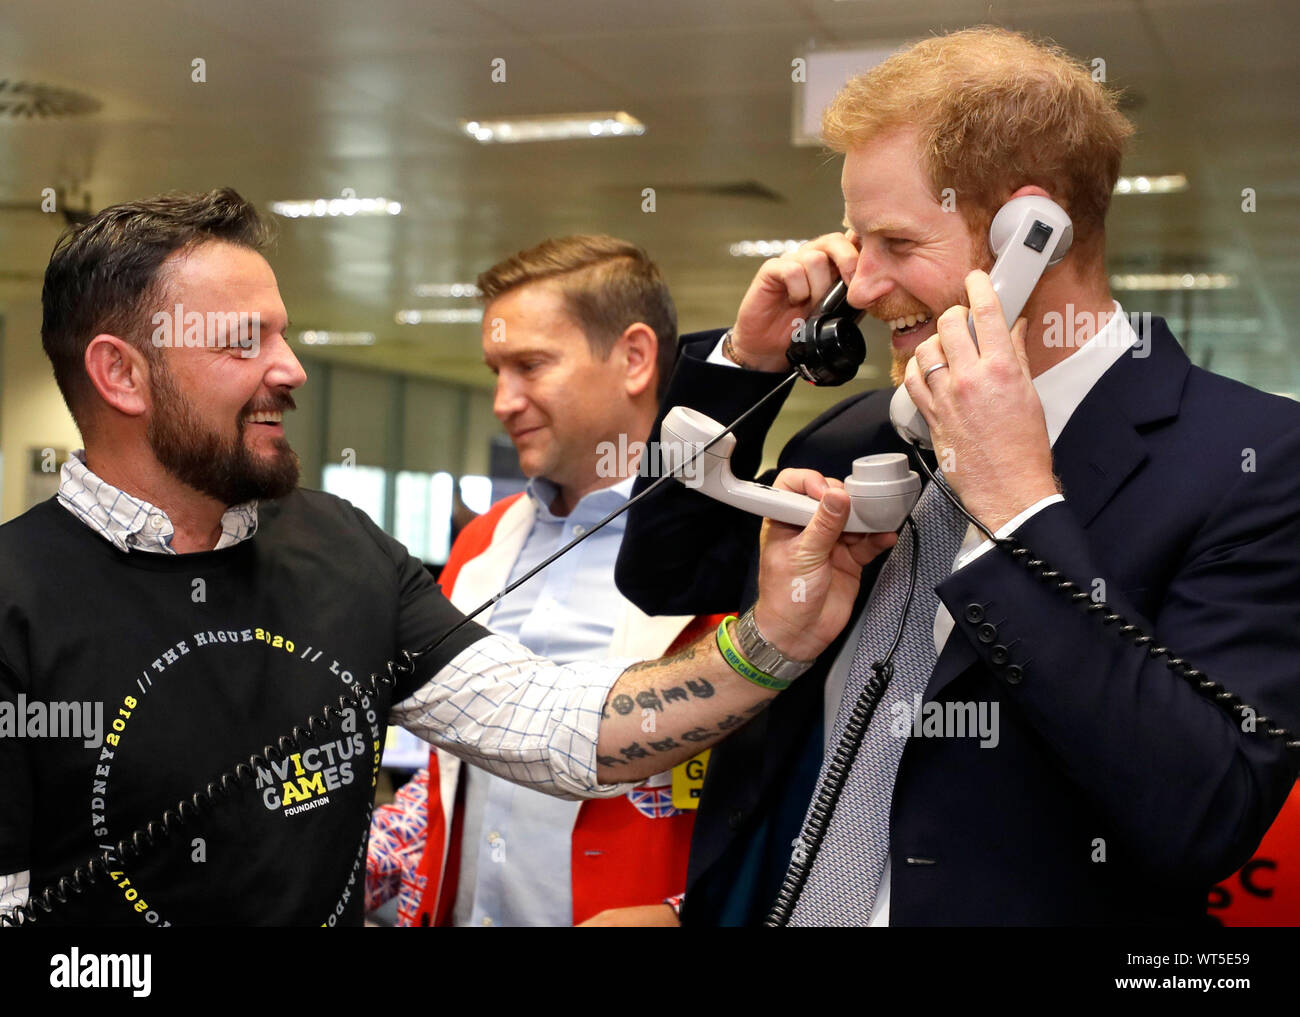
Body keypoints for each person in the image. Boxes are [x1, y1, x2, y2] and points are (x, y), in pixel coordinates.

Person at [0, 189, 894, 926]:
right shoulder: (18, 603)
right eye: (247, 340)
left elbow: (554, 724)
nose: (292, 368)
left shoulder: (340, 544)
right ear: (121, 374)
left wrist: (774, 637)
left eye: (284, 332)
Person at [615, 26, 1300, 925]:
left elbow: (1201, 813)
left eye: (895, 242)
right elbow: (663, 573)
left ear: (1032, 233)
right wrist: (745, 363)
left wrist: (1019, 506)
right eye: (856, 241)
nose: (858, 286)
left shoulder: (1255, 459)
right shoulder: (863, 428)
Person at [366, 235, 717, 927]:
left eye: (531, 365)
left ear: (635, 358)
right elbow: (447, 778)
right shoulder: (480, 546)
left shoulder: (737, 556)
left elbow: (798, 802)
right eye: (496, 369)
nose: (503, 400)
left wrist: (686, 914)